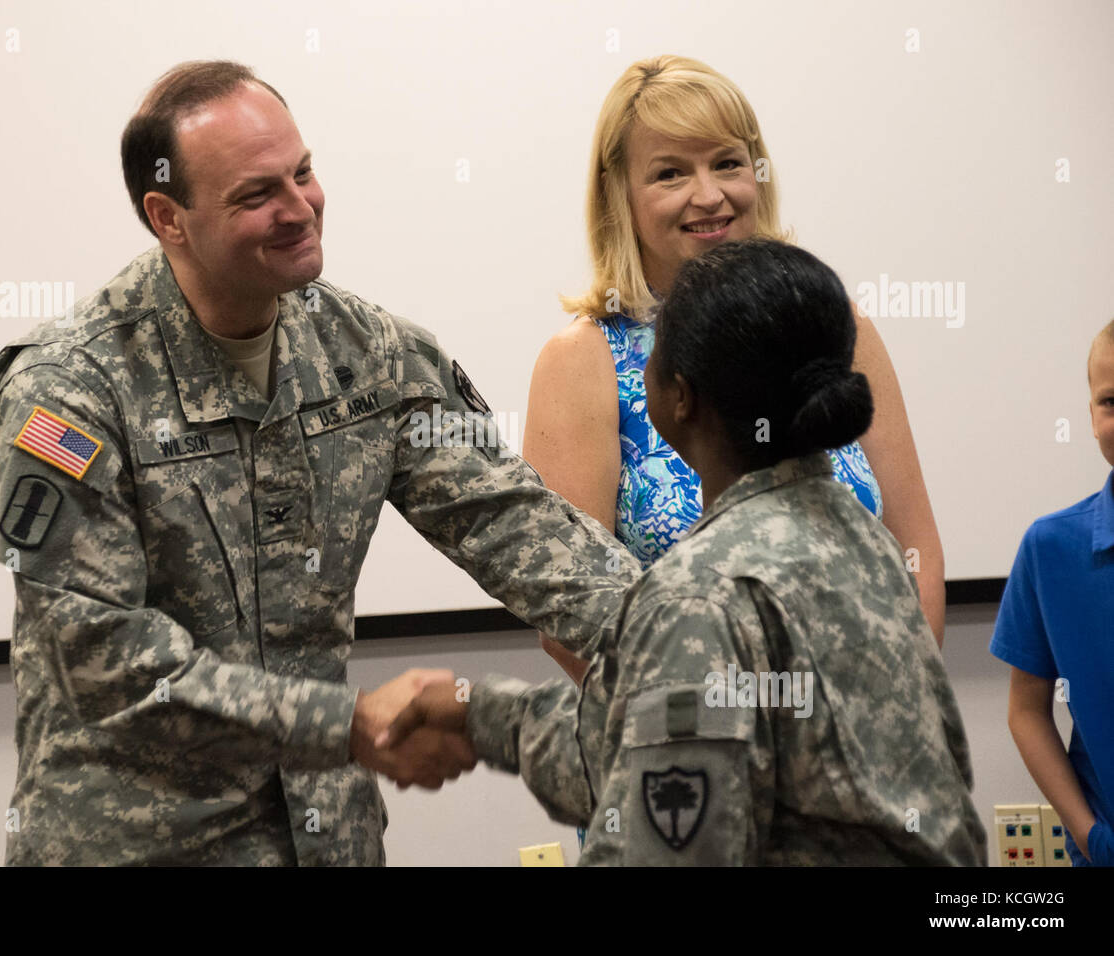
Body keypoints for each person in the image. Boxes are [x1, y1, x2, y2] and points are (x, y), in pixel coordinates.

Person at [0, 60, 640, 866]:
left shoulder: (370, 354)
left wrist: (698, 639)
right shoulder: (70, 392)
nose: (299, 209)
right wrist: (346, 724)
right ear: (167, 216)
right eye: (257, 195)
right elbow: (102, 657)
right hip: (138, 845)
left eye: (305, 173)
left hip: (324, 838)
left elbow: (524, 534)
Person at [381, 239, 987, 865]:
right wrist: (481, 715)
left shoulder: (698, 593)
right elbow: (666, 733)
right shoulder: (867, 545)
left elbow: (666, 826)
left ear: (678, 398)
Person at [526, 55, 946, 689]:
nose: (709, 195)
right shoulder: (581, 361)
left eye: (726, 162)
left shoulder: (837, 326)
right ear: (620, 194)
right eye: (670, 173)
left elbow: (916, 554)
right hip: (686, 757)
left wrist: (897, 707)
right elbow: (568, 613)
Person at [990, 318, 1114, 867]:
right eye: (1111, 401)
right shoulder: (1051, 548)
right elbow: (1027, 711)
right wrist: (1090, 835)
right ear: (1089, 416)